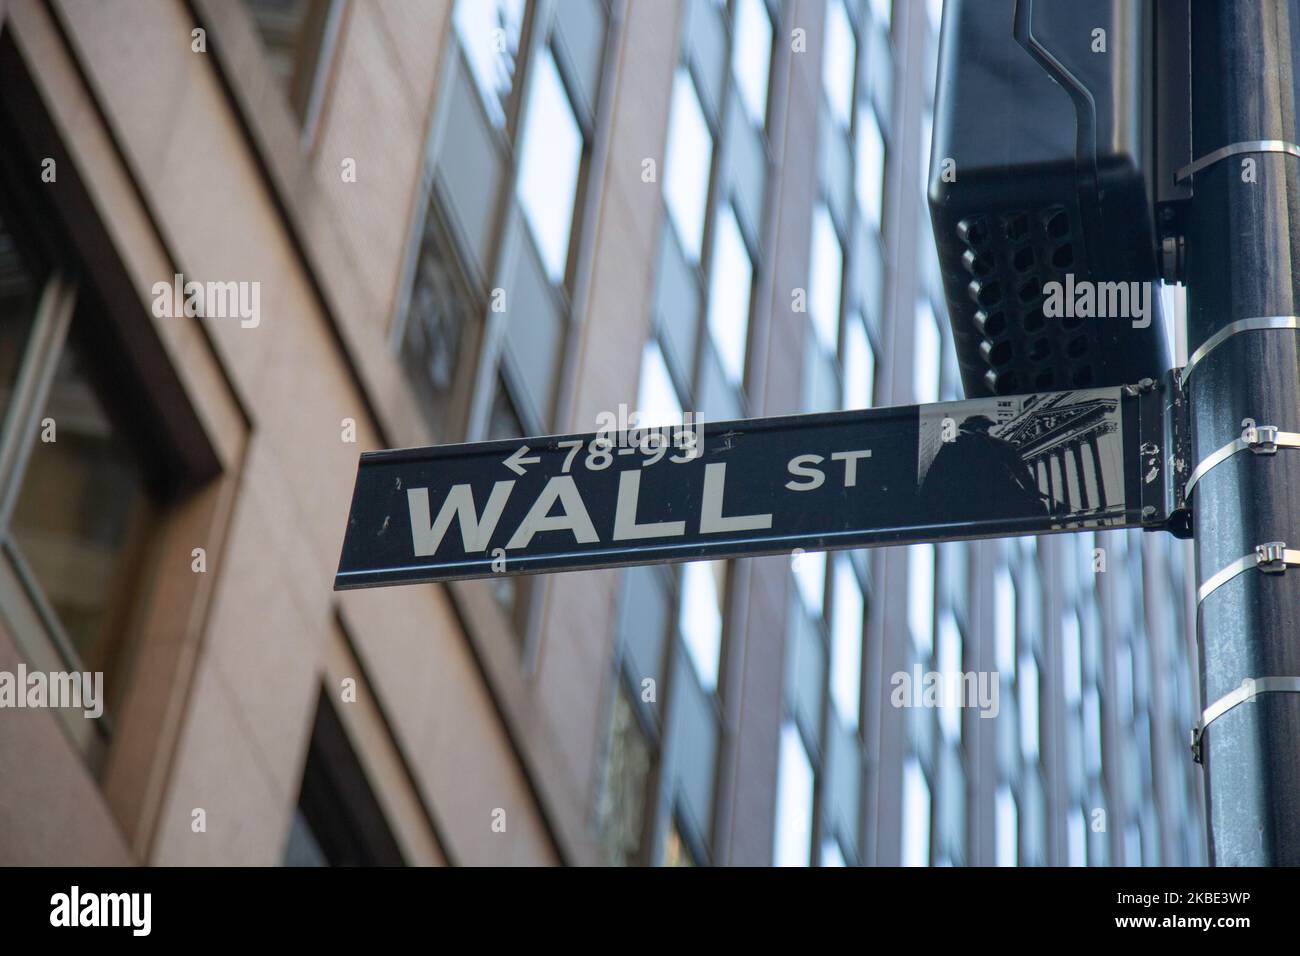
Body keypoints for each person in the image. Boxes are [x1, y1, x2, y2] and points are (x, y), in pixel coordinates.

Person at [919, 415, 1051, 522]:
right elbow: (937, 474)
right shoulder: (954, 446)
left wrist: (1034, 491)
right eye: (981, 427)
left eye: (984, 427)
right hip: (973, 500)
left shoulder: (998, 445)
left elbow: (1020, 471)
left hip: (990, 499)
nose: (983, 430)